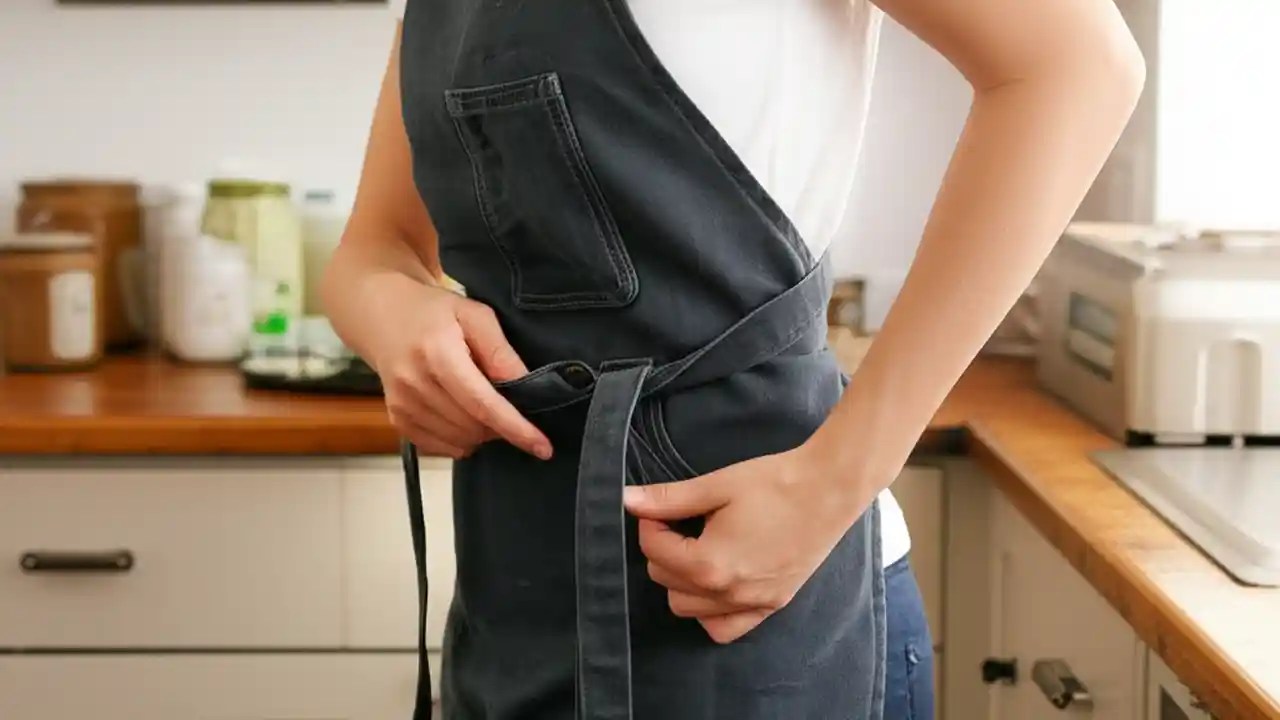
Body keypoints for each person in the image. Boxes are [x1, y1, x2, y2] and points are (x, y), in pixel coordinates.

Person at [322, 0, 1144, 717]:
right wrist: (393, 313)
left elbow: (1078, 66)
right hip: (518, 595)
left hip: (751, 615)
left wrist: (832, 483)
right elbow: (375, 248)